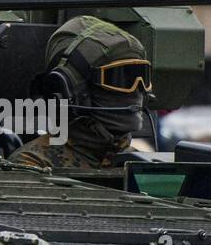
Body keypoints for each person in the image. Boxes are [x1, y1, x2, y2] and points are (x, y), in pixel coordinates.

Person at [9, 15, 152, 169]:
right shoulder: (32, 163)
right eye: (119, 78)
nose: (137, 89)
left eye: (142, 76)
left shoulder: (137, 162)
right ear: (68, 88)